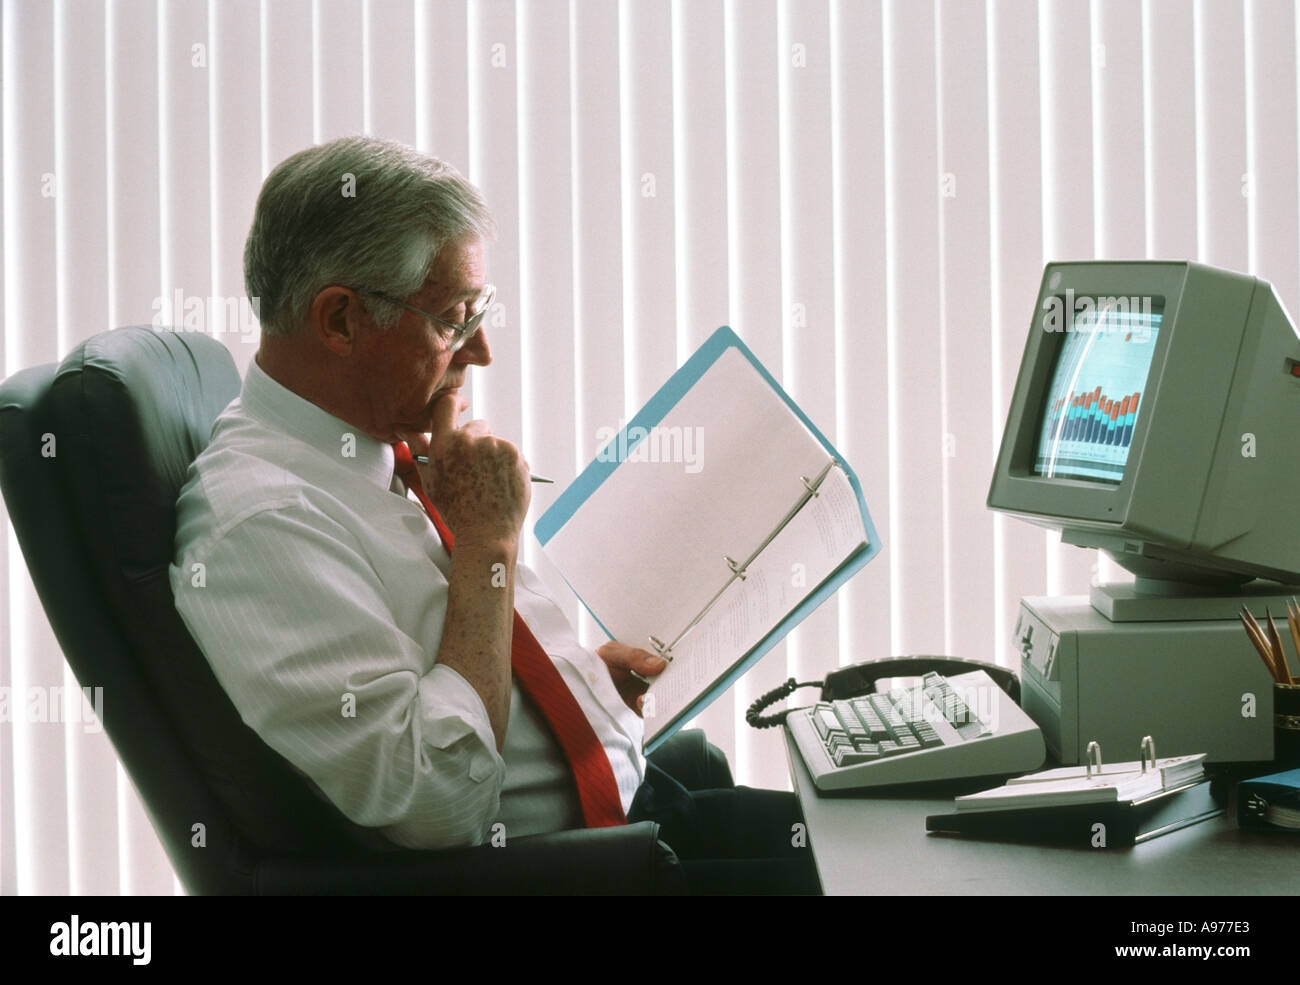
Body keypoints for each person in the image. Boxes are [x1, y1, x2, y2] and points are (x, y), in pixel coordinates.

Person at [170, 135, 817, 894]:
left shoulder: (375, 448)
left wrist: (575, 690)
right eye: (453, 319)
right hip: (587, 872)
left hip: (641, 813)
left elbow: (448, 660)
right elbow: (440, 798)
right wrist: (487, 542)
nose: (480, 351)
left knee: (890, 831)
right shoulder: (260, 524)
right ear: (340, 320)